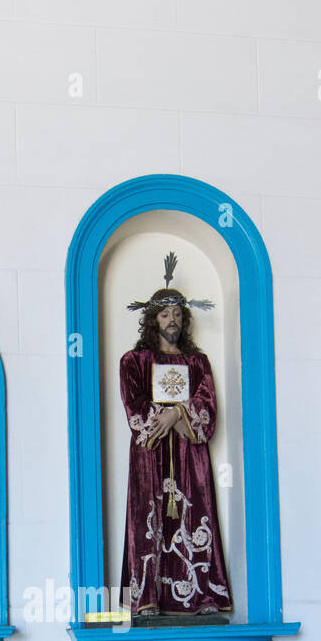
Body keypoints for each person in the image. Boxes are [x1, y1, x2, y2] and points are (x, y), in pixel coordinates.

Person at [119, 253, 232, 616]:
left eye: (178, 315)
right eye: (165, 315)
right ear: (153, 320)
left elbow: (206, 405)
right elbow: (133, 404)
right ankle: (146, 598)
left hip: (188, 452)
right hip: (150, 452)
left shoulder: (197, 363)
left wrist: (178, 415)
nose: (172, 321)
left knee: (194, 511)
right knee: (147, 518)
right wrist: (163, 419)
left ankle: (203, 595)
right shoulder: (134, 360)